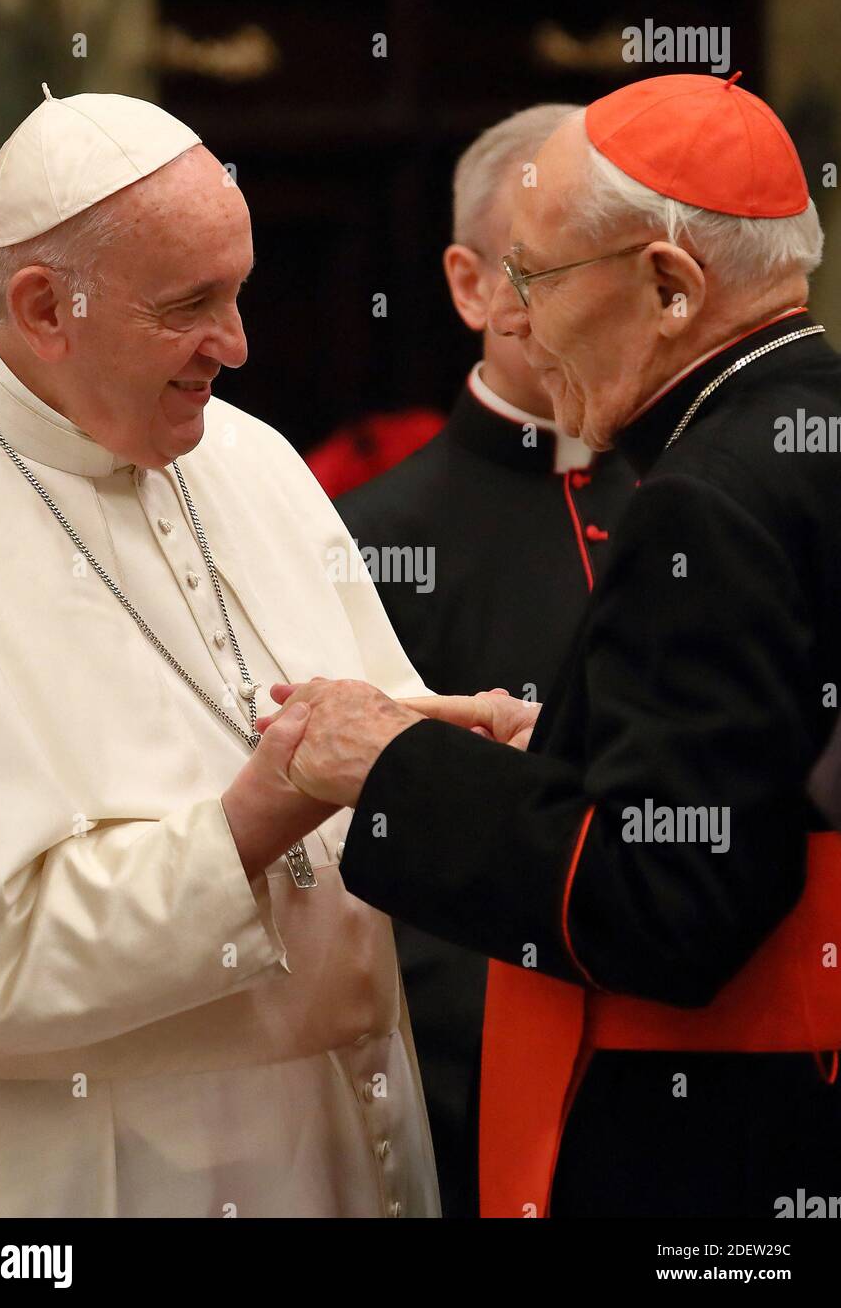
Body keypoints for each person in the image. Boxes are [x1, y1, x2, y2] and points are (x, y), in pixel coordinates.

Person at [261, 74, 841, 1218]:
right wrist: (568, 746)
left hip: (722, 1147)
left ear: (667, 288)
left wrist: (386, 768)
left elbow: (664, 898)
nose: (513, 313)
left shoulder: (702, 502)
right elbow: (771, 775)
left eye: (533, 276)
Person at [0, 86, 440, 1218]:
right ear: (45, 306)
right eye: (189, 304)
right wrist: (250, 821)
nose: (240, 345)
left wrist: (451, 750)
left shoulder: (249, 458)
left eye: (239, 291)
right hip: (94, 1179)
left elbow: (369, 729)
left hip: (350, 1132)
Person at [337, 104, 634, 1217]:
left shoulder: (706, 503)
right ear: (467, 285)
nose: (580, 303)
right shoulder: (361, 539)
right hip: (474, 1085)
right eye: (537, 269)